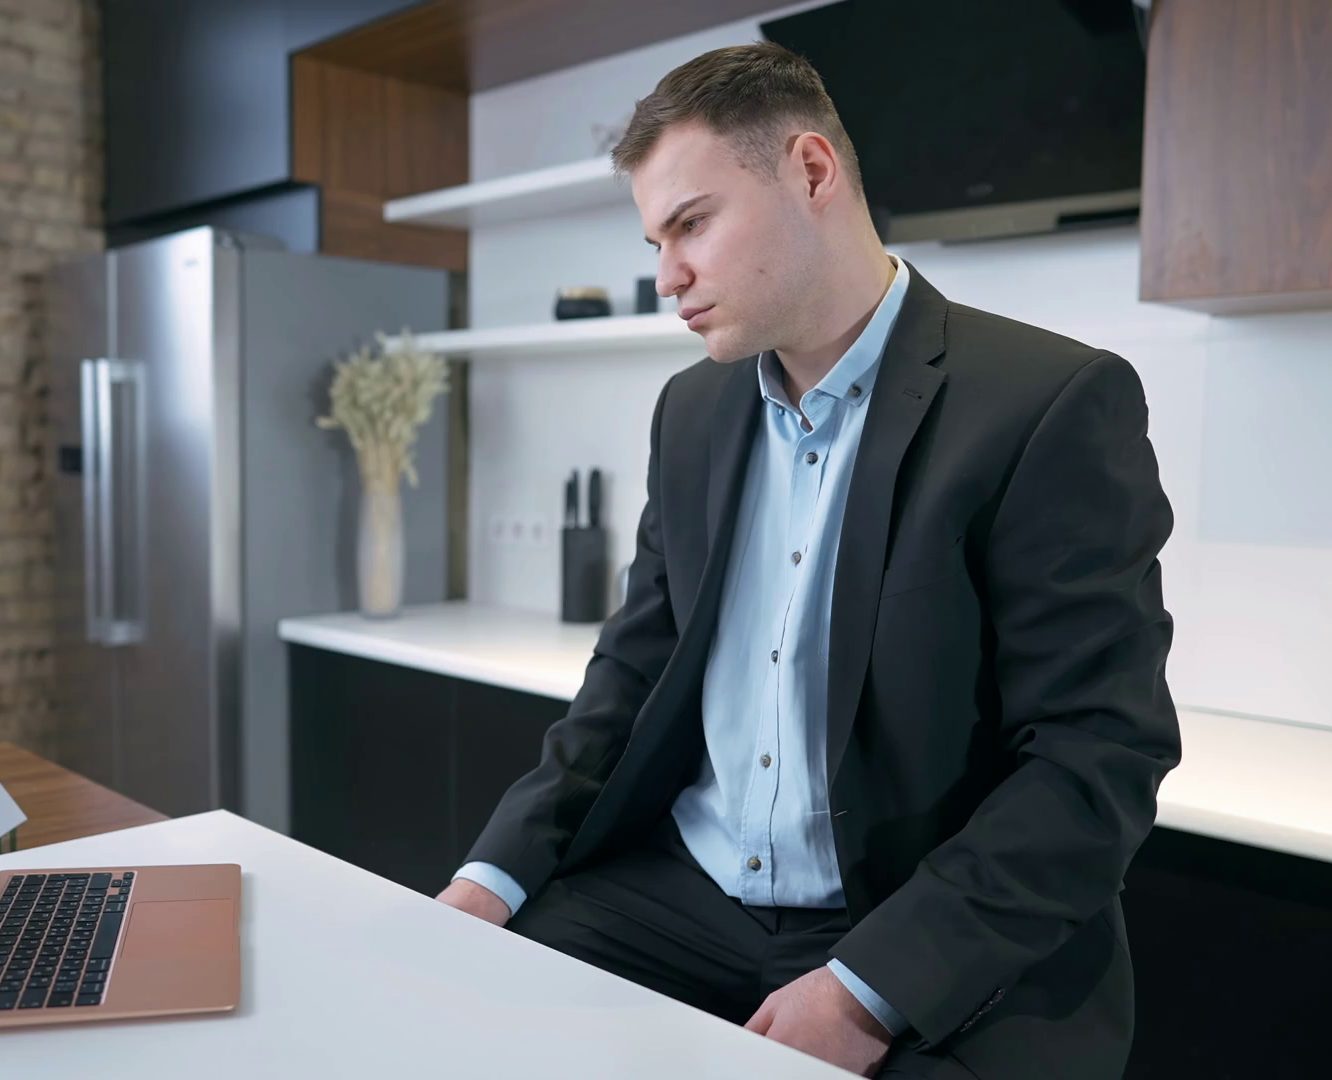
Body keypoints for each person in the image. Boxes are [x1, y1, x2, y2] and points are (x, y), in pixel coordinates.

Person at [435, 43, 1177, 1080]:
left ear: (813, 172)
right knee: (461, 1027)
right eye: (656, 240)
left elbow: (1097, 760)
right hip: (683, 899)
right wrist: (492, 877)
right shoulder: (690, 411)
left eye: (692, 224)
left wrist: (865, 990)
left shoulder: (1047, 403)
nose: (667, 276)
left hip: (910, 922)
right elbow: (630, 678)